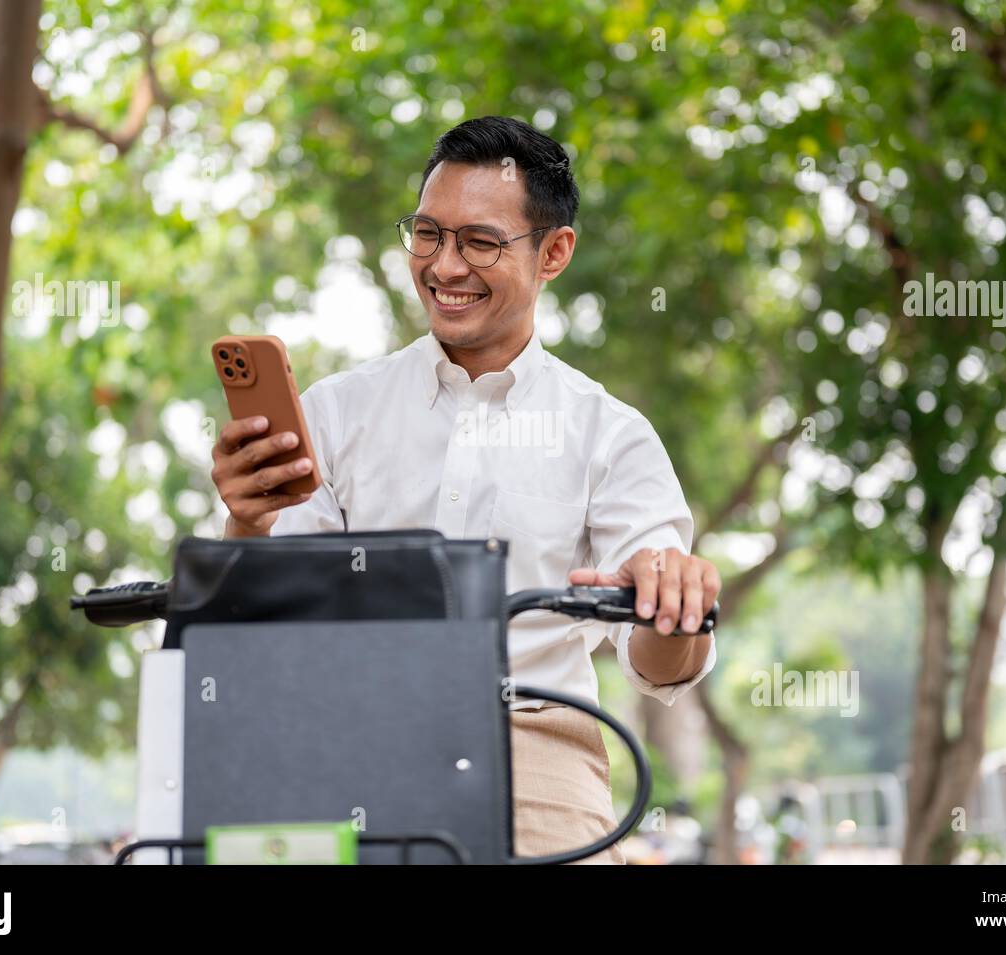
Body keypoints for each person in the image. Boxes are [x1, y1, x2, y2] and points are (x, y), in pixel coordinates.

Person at [208, 115, 719, 864]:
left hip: (532, 751)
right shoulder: (334, 413)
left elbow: (657, 663)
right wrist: (246, 525)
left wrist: (675, 611)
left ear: (554, 252)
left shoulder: (610, 434)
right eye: (426, 234)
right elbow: (260, 627)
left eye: (480, 242)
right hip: (345, 742)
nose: (444, 266)